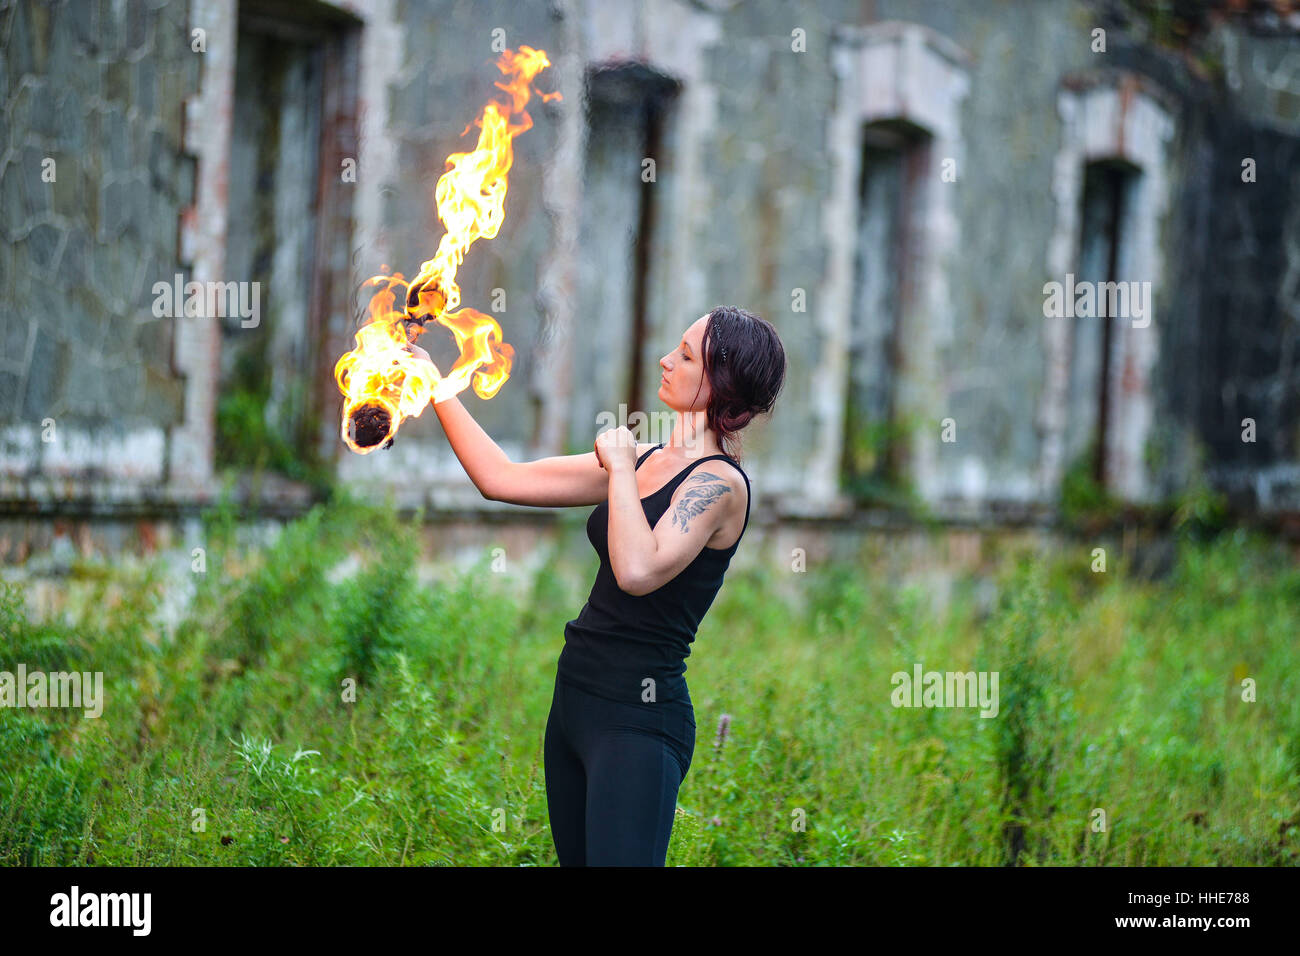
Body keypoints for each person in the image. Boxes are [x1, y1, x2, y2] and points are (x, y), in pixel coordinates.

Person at [421, 304, 786, 865]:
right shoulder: (640, 459)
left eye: (686, 356)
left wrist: (618, 471)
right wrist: (432, 382)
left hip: (637, 721)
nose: (666, 360)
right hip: (573, 702)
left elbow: (638, 571)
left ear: (720, 384)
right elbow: (501, 479)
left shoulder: (720, 487)